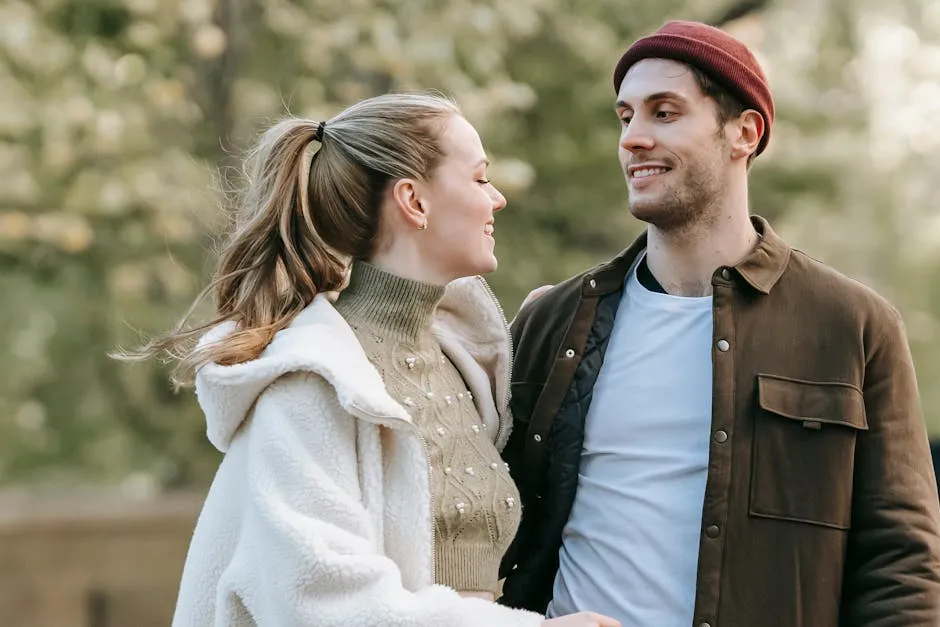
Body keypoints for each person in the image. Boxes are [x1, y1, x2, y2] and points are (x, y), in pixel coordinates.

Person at [498, 20, 940, 627]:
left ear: (744, 133)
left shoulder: (853, 326)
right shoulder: (552, 322)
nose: (633, 138)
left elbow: (901, 566)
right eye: (625, 117)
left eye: (664, 112)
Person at [119, 93, 619, 626]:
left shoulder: (465, 363)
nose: (496, 199)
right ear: (414, 201)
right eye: (478, 178)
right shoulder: (314, 382)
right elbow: (319, 599)